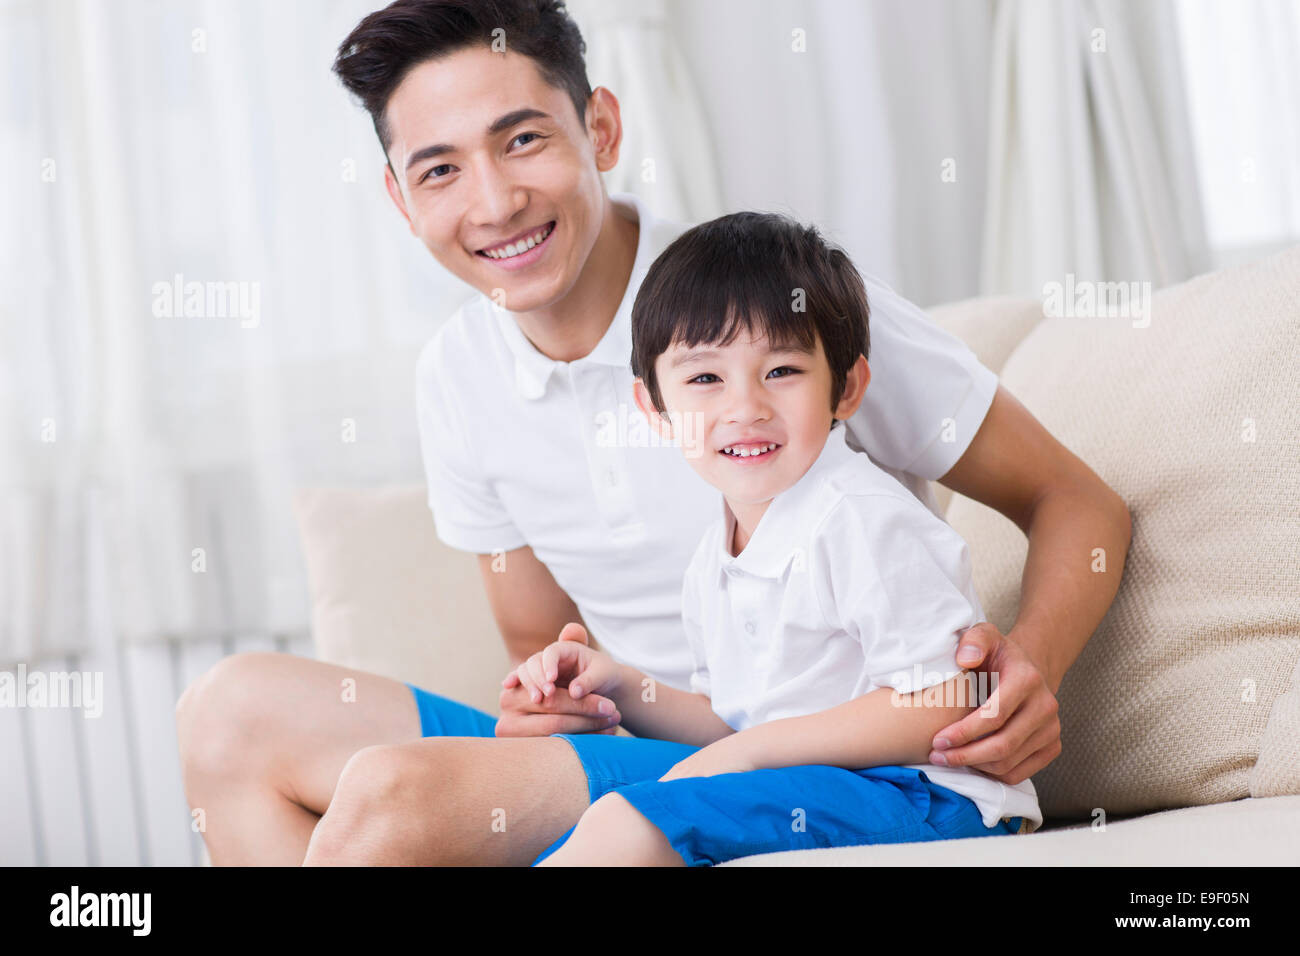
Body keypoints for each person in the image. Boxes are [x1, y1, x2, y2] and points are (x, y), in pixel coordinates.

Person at [175, 0, 1131, 866]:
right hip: (654, 738)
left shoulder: (771, 310)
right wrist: (549, 696)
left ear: (600, 129)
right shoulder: (456, 377)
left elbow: (1078, 504)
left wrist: (1025, 676)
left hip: (795, 757)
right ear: (400, 197)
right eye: (440, 170)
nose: (495, 202)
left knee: (394, 796)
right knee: (228, 715)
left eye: (521, 140)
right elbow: (540, 646)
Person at [516, 210, 1043, 865]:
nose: (745, 408)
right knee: (601, 824)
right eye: (705, 379)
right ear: (654, 409)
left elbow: (949, 699)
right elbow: (731, 722)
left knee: (632, 823)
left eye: (782, 371)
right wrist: (621, 685)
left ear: (845, 387)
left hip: (932, 799)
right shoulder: (714, 558)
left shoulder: (857, 515)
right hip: (815, 791)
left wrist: (750, 753)